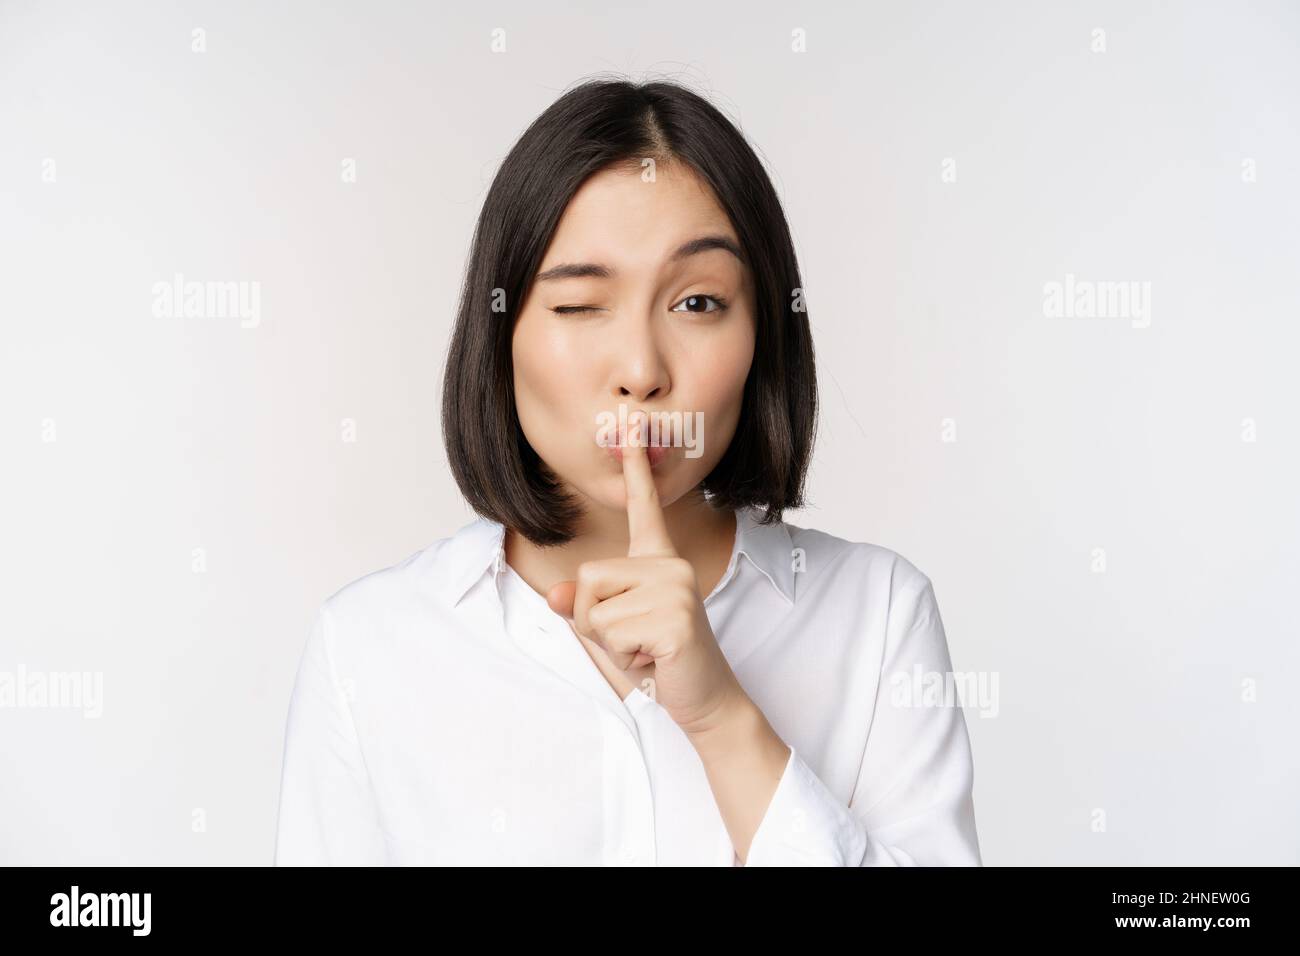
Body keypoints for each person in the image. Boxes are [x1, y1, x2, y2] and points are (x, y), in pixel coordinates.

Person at [273, 77, 982, 866]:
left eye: (698, 304)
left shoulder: (878, 617)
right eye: (579, 305)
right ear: (500, 333)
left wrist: (719, 715)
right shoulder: (369, 646)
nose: (641, 371)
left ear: (763, 337)